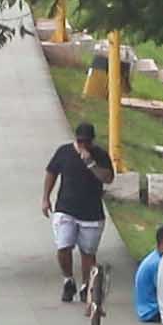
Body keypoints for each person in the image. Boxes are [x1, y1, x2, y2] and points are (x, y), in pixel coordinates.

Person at [44, 121, 114, 305]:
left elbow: (108, 178)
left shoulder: (100, 155)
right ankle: (68, 280)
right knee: (63, 246)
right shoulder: (64, 152)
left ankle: (86, 286)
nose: (84, 145)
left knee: (88, 252)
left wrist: (90, 163)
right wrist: (46, 198)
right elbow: (51, 172)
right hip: (66, 208)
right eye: (81, 141)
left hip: (91, 212)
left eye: (87, 142)